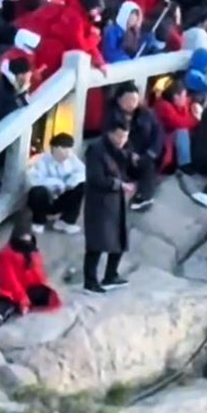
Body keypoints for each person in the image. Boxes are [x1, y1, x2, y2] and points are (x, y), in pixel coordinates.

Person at [81, 119, 133, 293]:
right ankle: (90, 280)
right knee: (96, 243)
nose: (121, 140)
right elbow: (95, 178)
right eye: (119, 136)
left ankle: (111, 275)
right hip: (99, 203)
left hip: (116, 202)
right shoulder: (96, 150)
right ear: (110, 133)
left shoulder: (120, 151)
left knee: (119, 240)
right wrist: (118, 185)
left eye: (125, 137)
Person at [28, 131, 85, 231]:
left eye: (69, 149)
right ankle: (38, 221)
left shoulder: (71, 159)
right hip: (47, 198)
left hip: (62, 197)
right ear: (54, 148)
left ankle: (66, 221)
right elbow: (34, 180)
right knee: (37, 192)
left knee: (82, 186)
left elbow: (83, 172)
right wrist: (55, 183)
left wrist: (71, 181)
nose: (67, 153)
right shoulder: (42, 160)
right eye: (63, 149)